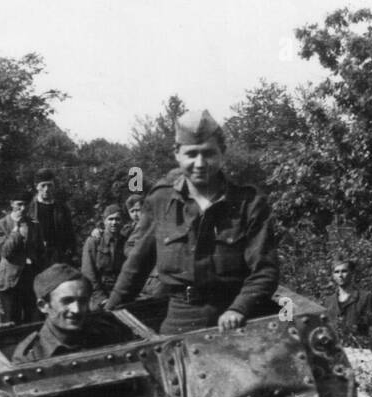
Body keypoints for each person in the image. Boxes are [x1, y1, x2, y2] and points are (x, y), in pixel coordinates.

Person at [107, 109, 279, 334]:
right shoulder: (161, 200)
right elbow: (136, 267)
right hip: (181, 319)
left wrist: (239, 309)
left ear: (222, 153)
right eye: (191, 154)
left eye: (208, 153)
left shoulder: (249, 203)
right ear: (177, 154)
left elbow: (265, 269)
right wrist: (109, 313)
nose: (200, 163)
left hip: (240, 322)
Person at [12, 264, 131, 362]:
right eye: (67, 301)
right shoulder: (30, 357)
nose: (77, 310)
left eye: (83, 301)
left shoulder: (109, 334)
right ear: (43, 306)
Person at [0, 190, 44, 325]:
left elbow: (40, 251)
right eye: (19, 205)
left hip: (31, 278)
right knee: (10, 323)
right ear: (11, 204)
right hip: (10, 280)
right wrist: (16, 231)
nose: (23, 208)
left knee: (33, 322)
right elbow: (5, 251)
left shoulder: (35, 225)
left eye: (26, 205)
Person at [325, 259, 372, 351]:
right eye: (336, 272)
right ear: (333, 275)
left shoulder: (366, 297)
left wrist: (371, 351)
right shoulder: (329, 301)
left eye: (344, 271)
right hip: (336, 351)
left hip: (360, 351)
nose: (340, 275)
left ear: (352, 273)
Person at [81, 204, 127, 309]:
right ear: (104, 221)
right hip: (98, 295)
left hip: (120, 293)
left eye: (117, 219)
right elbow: (88, 274)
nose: (114, 223)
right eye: (110, 219)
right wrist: (101, 298)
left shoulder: (125, 241)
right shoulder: (94, 241)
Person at [26, 169, 75, 266]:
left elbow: (70, 232)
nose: (46, 189)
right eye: (43, 185)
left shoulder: (62, 208)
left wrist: (69, 251)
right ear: (36, 186)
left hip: (57, 254)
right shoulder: (29, 208)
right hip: (35, 255)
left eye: (49, 185)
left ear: (54, 186)